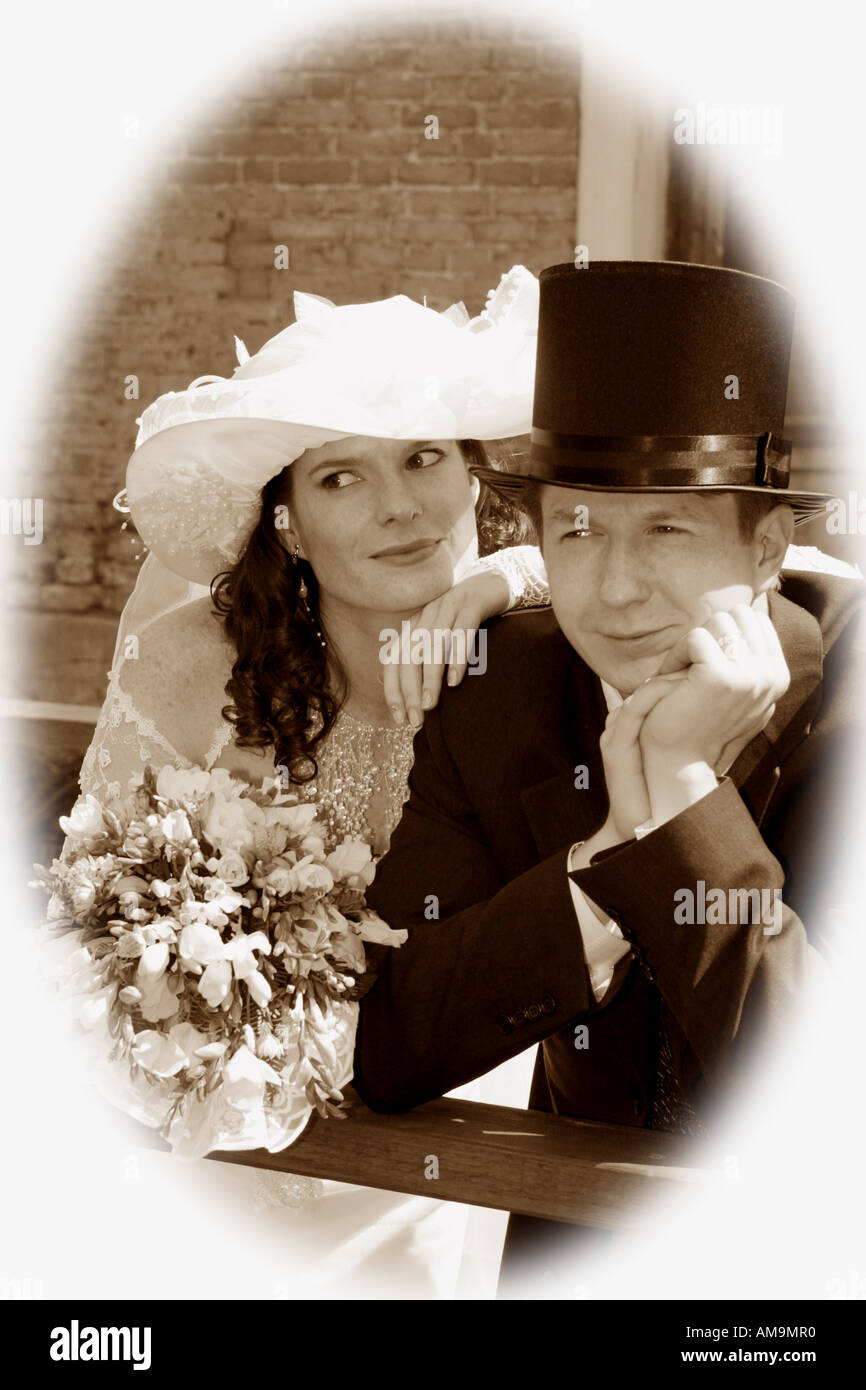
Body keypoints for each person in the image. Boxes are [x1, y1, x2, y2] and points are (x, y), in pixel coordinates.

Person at [352, 260, 866, 1294]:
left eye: (666, 529)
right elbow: (393, 1039)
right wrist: (602, 867)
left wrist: (680, 794)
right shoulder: (496, 700)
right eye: (576, 530)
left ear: (765, 547)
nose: (616, 587)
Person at [60, 266, 549, 1299]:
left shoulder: (548, 652)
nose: (399, 507)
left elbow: (777, 589)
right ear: (286, 520)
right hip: (232, 1150)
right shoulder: (196, 665)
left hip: (460, 1150)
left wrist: (513, 576)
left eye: (423, 458)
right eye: (340, 477)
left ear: (473, 477)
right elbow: (90, 926)